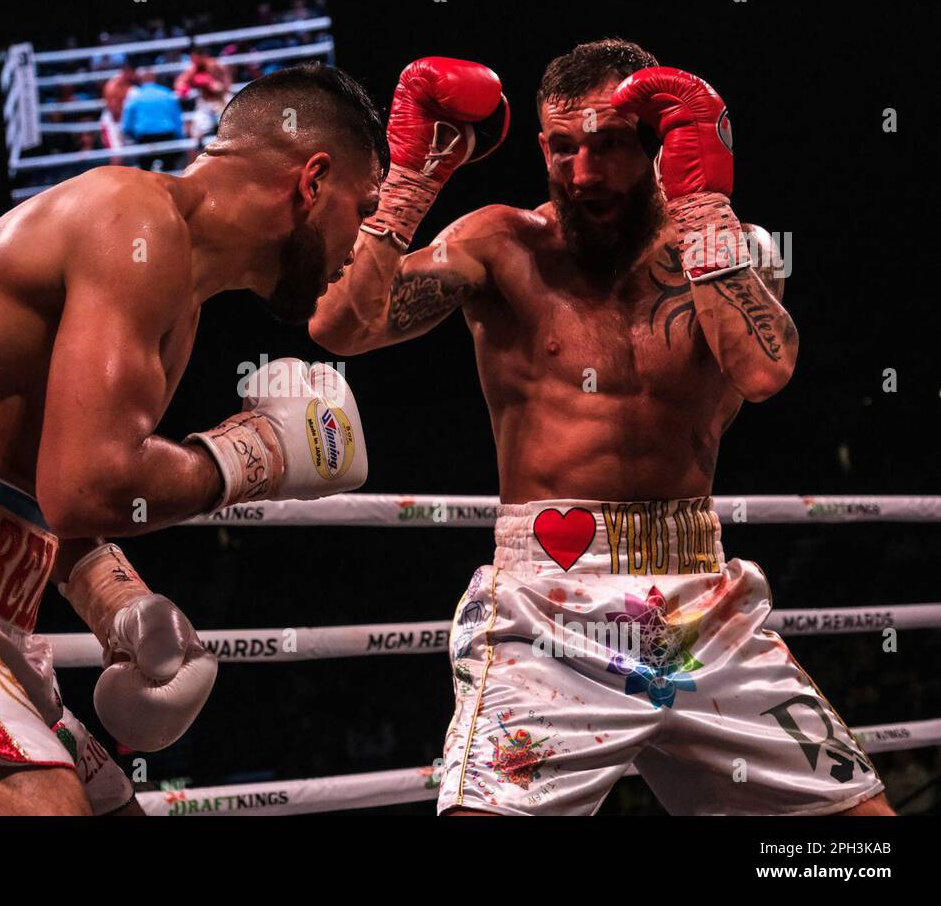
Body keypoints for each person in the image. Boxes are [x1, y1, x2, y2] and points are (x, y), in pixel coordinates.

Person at [0, 62, 385, 816]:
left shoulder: (179, 303)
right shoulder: (130, 215)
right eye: (365, 209)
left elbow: (53, 491)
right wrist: (259, 454)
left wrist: (120, 605)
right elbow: (91, 484)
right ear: (312, 181)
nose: (360, 246)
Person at [310, 44, 892, 815]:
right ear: (540, 145)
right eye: (563, 147)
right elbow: (341, 327)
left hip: (703, 606)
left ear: (659, 145)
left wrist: (702, 208)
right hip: (545, 605)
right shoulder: (499, 244)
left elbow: (763, 371)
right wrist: (408, 189)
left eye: (610, 145)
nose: (584, 173)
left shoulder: (731, 249)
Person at [121, 70, 186, 171]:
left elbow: (126, 126)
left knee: (145, 174)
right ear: (155, 79)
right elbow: (178, 121)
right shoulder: (167, 94)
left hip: (144, 139)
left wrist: (135, 137)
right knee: (169, 173)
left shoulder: (135, 97)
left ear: (141, 80)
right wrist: (178, 138)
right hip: (167, 137)